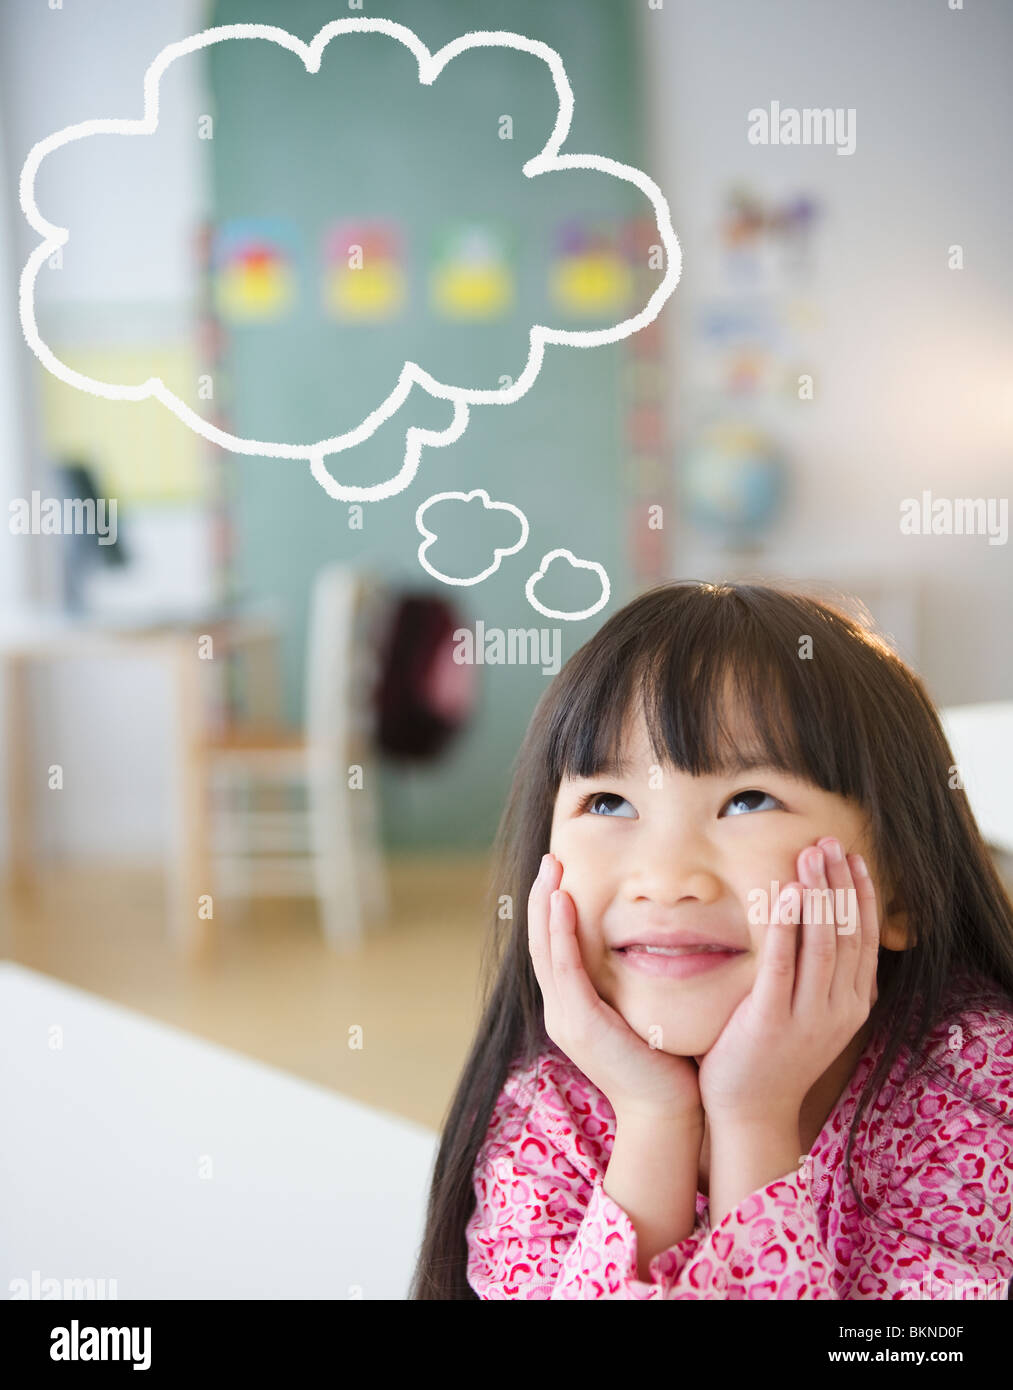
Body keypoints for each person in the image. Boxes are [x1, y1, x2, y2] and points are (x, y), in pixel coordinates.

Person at [409, 580, 1013, 1299]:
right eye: (608, 801)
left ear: (902, 889)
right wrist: (652, 1117)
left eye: (748, 799)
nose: (664, 879)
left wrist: (752, 1118)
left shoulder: (971, 1086)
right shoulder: (549, 1105)